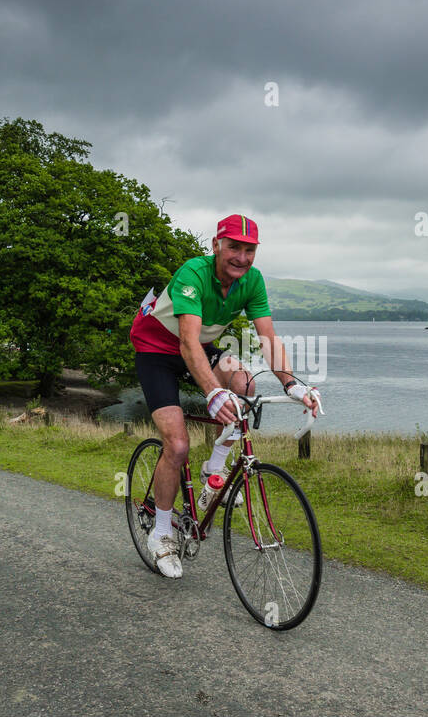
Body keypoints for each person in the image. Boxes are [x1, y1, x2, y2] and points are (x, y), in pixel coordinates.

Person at [130, 214, 321, 579]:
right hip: (157, 352)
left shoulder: (252, 281)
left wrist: (292, 384)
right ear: (216, 245)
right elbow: (186, 342)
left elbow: (268, 337)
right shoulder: (193, 273)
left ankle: (214, 468)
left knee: (246, 385)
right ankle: (162, 534)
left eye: (250, 250)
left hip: (200, 349)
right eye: (234, 247)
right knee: (179, 445)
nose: (242, 258)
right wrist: (212, 392)